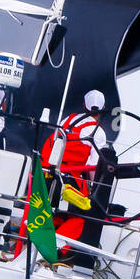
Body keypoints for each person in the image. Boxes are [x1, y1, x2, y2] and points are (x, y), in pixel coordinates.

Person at [40, 89, 114, 251]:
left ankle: (32, 244)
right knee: (86, 214)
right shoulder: (97, 132)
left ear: (84, 105)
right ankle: (53, 251)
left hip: (45, 178)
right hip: (66, 184)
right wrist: (95, 192)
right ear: (104, 108)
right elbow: (93, 170)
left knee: (57, 213)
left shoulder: (69, 119)